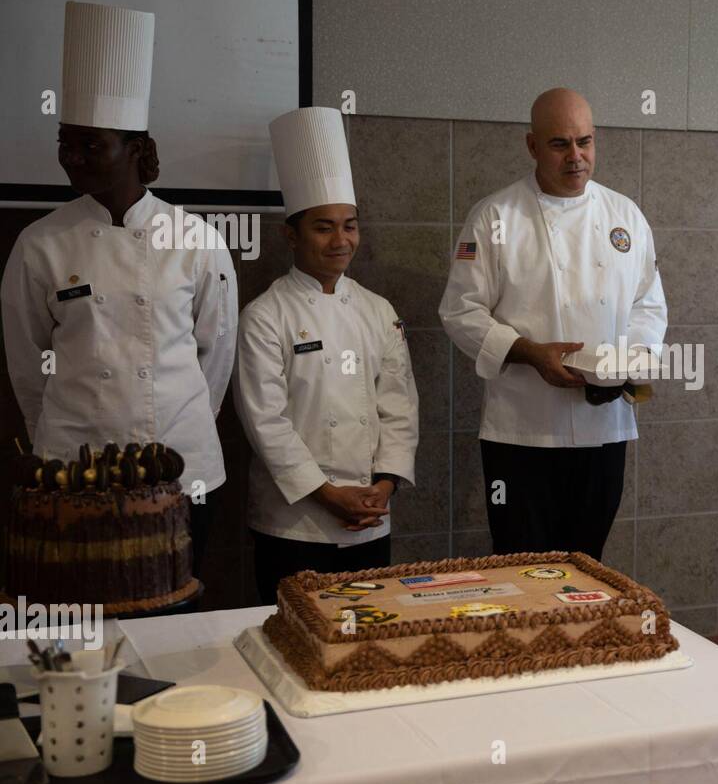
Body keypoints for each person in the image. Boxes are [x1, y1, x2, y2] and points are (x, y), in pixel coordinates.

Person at [1, 1, 237, 577]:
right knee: (80, 612)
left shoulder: (197, 241)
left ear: (135, 150)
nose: (72, 158)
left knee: (172, 601)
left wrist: (179, 418)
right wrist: (57, 440)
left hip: (183, 465)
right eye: (66, 143)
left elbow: (217, 353)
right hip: (73, 467)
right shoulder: (41, 244)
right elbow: (29, 363)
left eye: (91, 144)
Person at [438, 88, 667, 560]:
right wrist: (528, 352)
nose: (576, 156)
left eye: (585, 142)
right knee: (521, 564)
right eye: (560, 144)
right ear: (532, 146)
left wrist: (633, 359)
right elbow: (460, 310)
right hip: (521, 433)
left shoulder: (625, 215)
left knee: (586, 562)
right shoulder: (495, 216)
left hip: (603, 426)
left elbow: (649, 303)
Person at [234, 107, 418, 603]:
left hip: (369, 520)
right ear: (290, 235)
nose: (341, 241)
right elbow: (266, 423)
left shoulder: (379, 311)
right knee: (290, 641)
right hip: (292, 524)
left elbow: (398, 406)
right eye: (323, 228)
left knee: (365, 639)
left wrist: (384, 486)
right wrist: (327, 494)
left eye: (350, 226)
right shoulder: (264, 316)